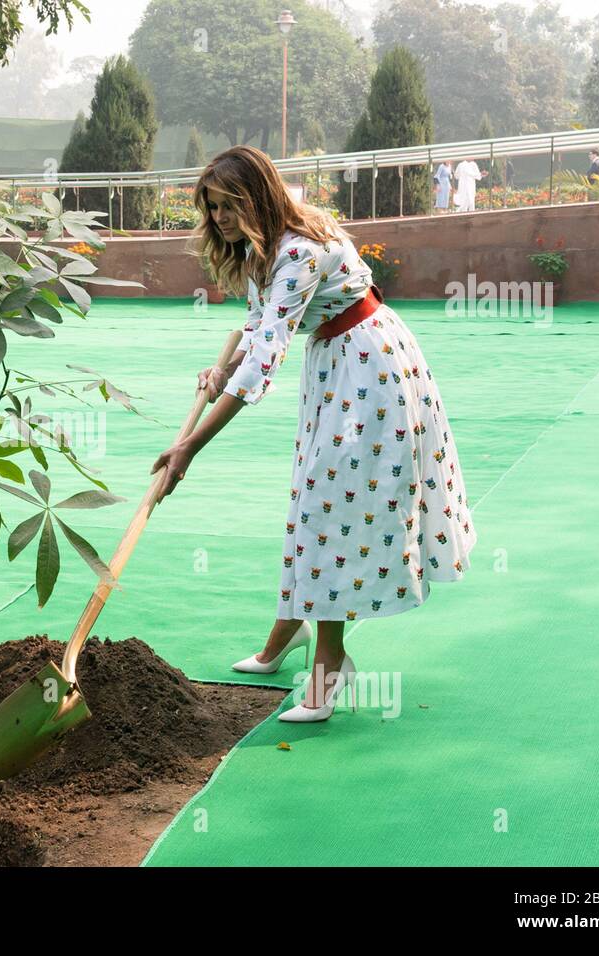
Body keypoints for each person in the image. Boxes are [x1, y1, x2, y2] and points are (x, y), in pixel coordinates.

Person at [151, 146, 477, 722]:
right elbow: (258, 328)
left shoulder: (300, 249)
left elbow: (267, 356)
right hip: (337, 363)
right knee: (312, 500)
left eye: (231, 204)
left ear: (259, 196)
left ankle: (330, 663)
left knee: (326, 508)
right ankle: (290, 631)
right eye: (213, 207)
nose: (221, 217)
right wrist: (222, 369)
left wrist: (189, 447)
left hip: (370, 371)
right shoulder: (264, 245)